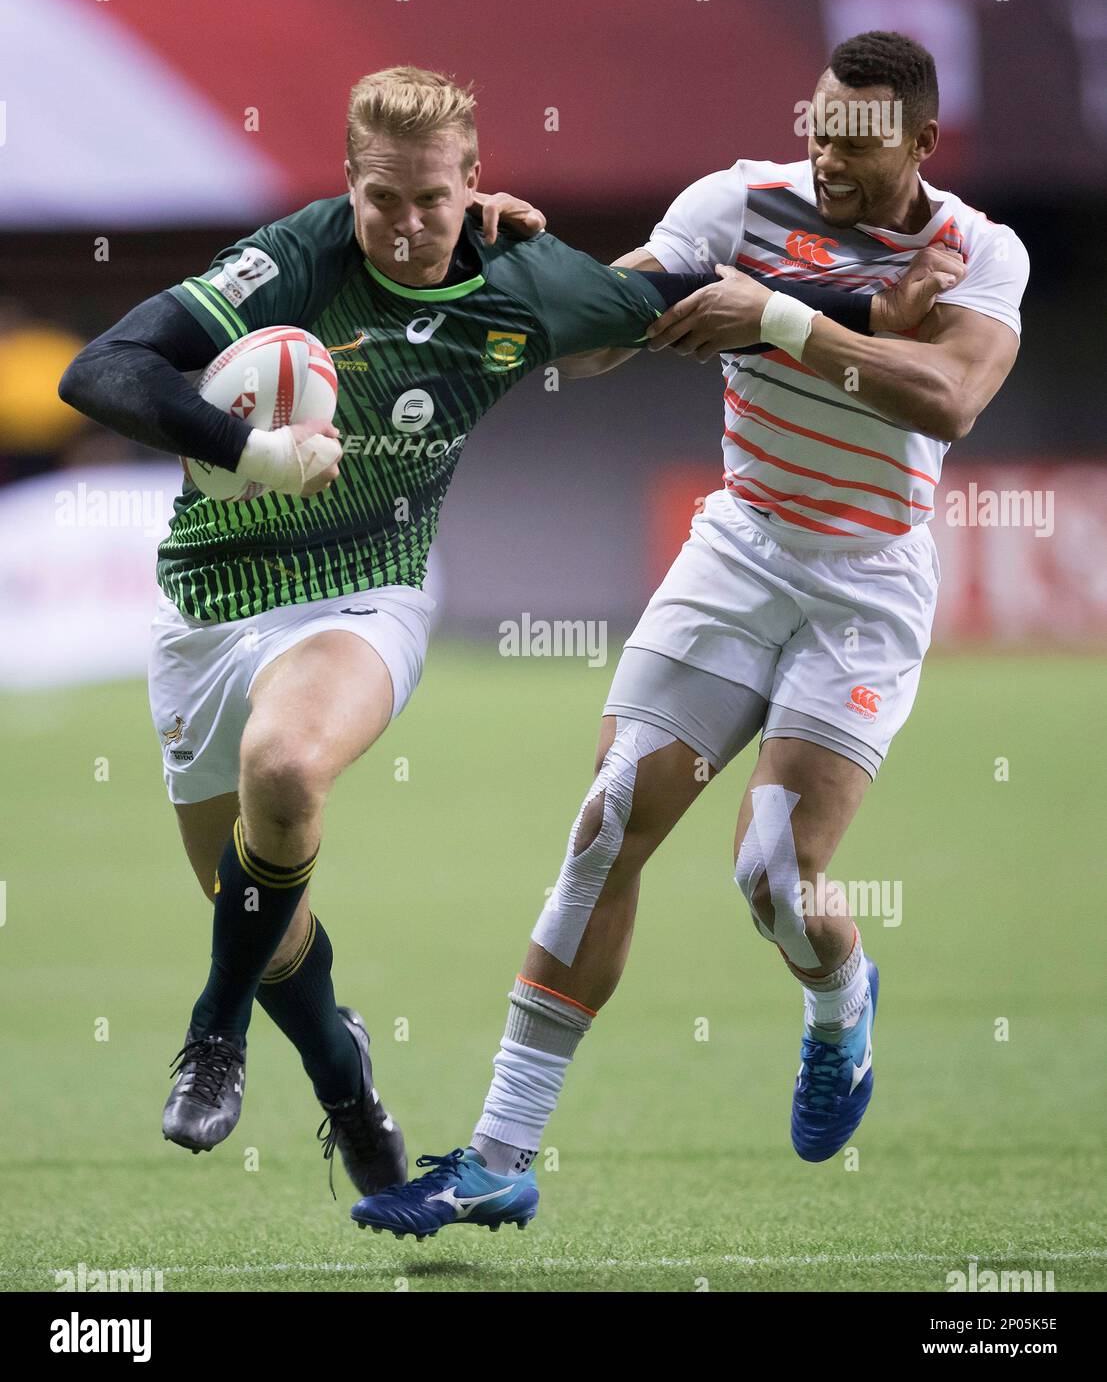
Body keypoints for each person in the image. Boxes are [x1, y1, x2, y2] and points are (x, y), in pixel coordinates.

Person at [57, 64, 884, 1201]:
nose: (405, 227)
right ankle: (346, 1082)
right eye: (382, 198)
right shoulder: (294, 259)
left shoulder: (524, 285)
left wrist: (879, 305)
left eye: (432, 201)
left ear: (475, 185)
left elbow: (693, 297)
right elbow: (99, 369)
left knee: (287, 769)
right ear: (349, 184)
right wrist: (250, 451)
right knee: (254, 910)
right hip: (207, 604)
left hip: (369, 594)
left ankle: (213, 1035)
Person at [350, 30, 1029, 1240]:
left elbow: (953, 395)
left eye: (860, 147)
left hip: (868, 580)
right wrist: (527, 262)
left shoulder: (978, 250)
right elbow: (610, 333)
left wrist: (779, 319)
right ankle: (500, 1153)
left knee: (773, 872)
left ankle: (840, 1003)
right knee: (609, 818)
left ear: (924, 145)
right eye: (819, 129)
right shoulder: (733, 202)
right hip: (740, 549)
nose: (828, 160)